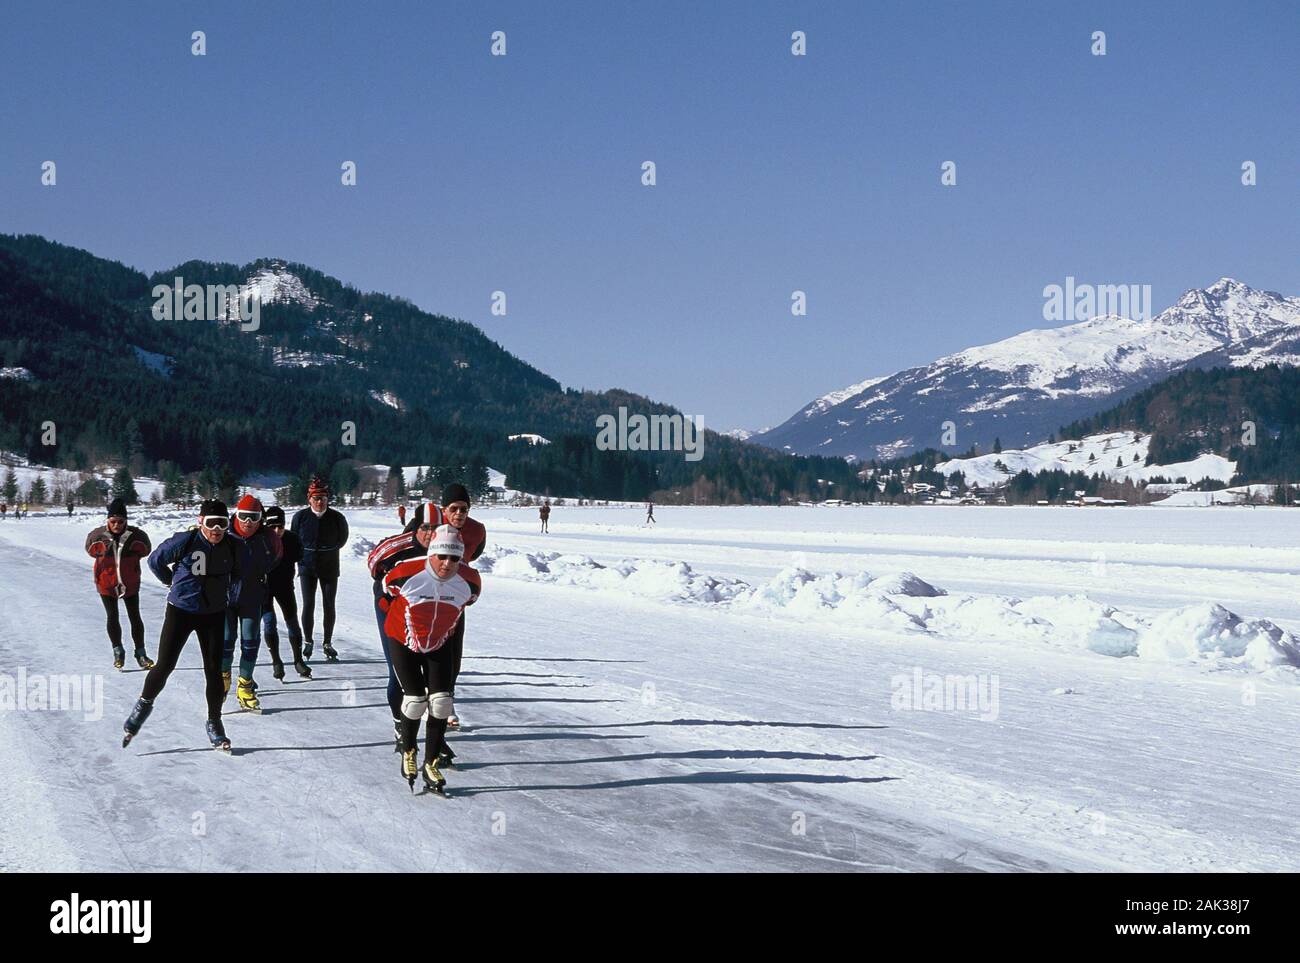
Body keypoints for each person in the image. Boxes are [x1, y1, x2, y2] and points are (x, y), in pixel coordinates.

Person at [122, 499, 242, 752]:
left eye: (222, 524)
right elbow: (155, 560)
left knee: (214, 670)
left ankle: (215, 722)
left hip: (214, 614)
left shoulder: (233, 546)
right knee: (165, 665)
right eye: (211, 523)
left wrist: (230, 596)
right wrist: (172, 582)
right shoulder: (185, 540)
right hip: (181, 611)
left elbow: (240, 573)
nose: (217, 529)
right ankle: (144, 704)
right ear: (201, 522)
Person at [381, 525, 480, 796]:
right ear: (431, 554)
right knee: (414, 701)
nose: (448, 564)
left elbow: (467, 602)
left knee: (441, 703)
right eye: (442, 557)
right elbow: (384, 586)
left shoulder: (470, 582)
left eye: (454, 558)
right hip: (403, 640)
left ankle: (431, 762)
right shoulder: (405, 573)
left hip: (438, 642)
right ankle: (409, 750)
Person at [367, 499, 441, 750]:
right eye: (426, 528)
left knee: (435, 678)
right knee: (399, 673)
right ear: (415, 527)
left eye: (436, 528)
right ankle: (400, 724)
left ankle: (435, 735)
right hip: (392, 610)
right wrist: (386, 595)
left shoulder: (446, 545)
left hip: (426, 612)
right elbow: (373, 564)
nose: (431, 535)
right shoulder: (397, 545)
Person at [222, 494, 282, 712]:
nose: (248, 522)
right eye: (244, 516)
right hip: (226, 600)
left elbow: (274, 560)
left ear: (260, 519)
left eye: (253, 517)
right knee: (226, 642)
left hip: (252, 598)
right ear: (237, 515)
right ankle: (223, 679)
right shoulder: (224, 533)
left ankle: (245, 685)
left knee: (250, 642)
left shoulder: (268, 539)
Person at [438, 483, 485, 737]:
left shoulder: (476, 530)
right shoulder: (427, 525)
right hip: (426, 598)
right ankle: (429, 701)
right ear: (443, 508)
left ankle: (447, 702)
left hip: (455, 599)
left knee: (454, 656)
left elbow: (472, 555)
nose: (459, 514)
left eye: (464, 509)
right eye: (454, 509)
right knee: (433, 654)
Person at [85, 498, 154, 670]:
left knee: (135, 617)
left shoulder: (136, 536)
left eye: (121, 522)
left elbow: (146, 549)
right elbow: (89, 550)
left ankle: (141, 653)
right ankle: (117, 650)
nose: (117, 525)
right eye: (113, 521)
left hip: (130, 583)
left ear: (126, 521)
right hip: (106, 584)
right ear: (107, 521)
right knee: (112, 616)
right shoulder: (97, 536)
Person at [291, 477, 349, 662]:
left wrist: (327, 550)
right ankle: (308, 640)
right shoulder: (300, 517)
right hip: (307, 566)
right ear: (309, 499)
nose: (319, 501)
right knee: (308, 604)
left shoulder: (337, 518)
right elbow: (293, 540)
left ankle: (327, 642)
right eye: (316, 498)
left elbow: (342, 539)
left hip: (329, 566)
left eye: (323, 498)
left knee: (329, 604)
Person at [261, 505, 312, 681]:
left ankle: (298, 660)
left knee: (292, 622)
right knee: (269, 623)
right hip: (264, 589)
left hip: (284, 587)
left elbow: (300, 555)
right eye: (272, 527)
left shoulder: (292, 539)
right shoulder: (259, 539)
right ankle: (276, 661)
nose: (277, 531)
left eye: (280, 527)